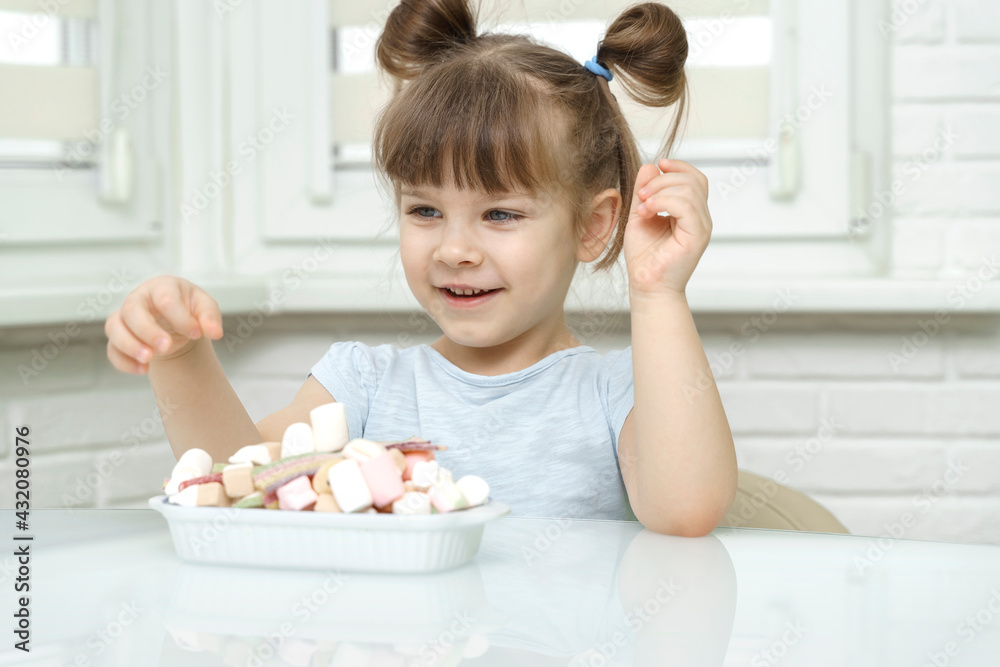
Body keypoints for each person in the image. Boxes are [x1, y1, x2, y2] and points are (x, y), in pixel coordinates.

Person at [104, 0, 736, 536]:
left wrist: (657, 296)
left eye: (501, 215)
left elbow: (686, 511)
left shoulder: (618, 391)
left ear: (593, 225)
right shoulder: (362, 385)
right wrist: (179, 354)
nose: (453, 249)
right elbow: (236, 482)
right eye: (426, 209)